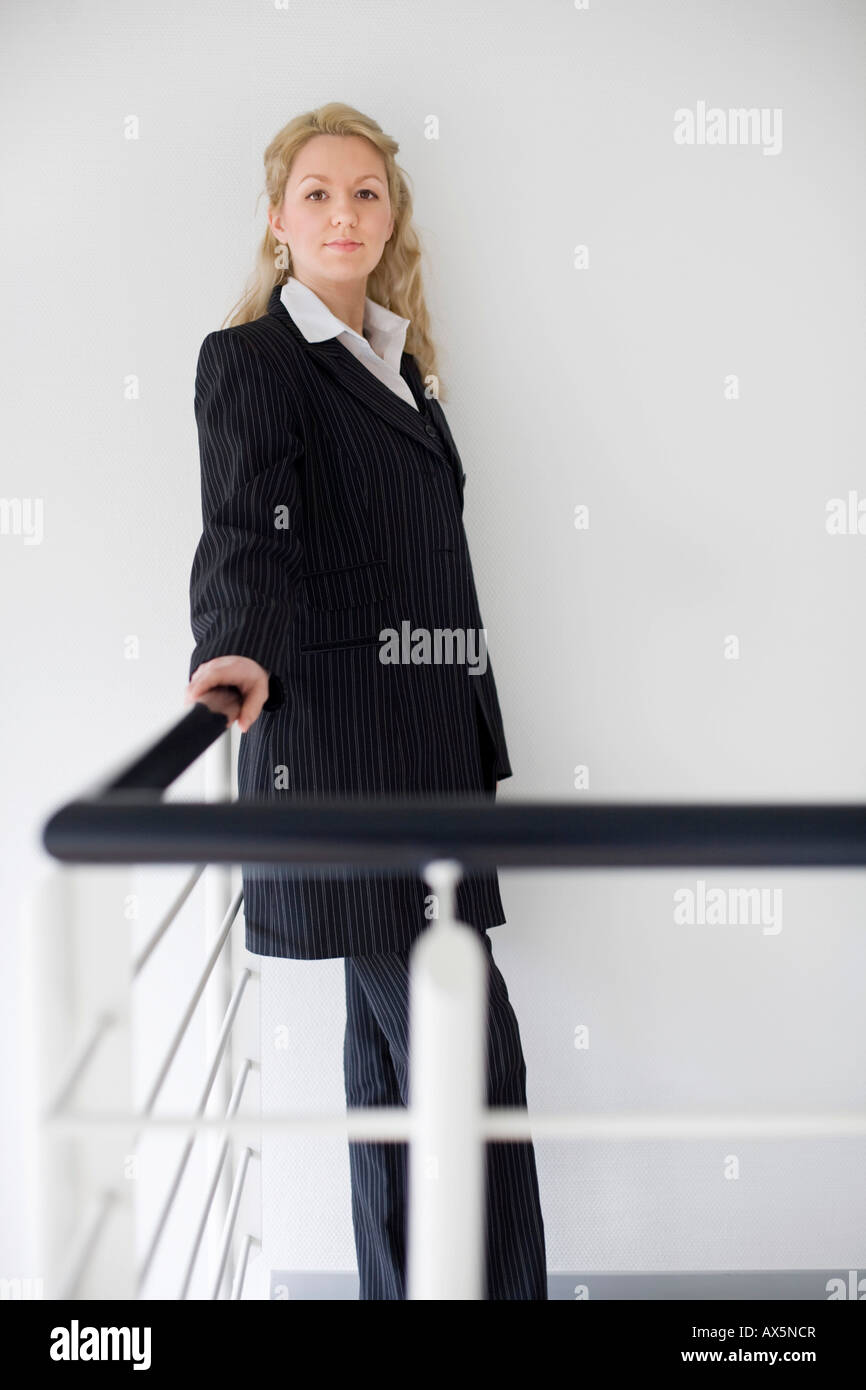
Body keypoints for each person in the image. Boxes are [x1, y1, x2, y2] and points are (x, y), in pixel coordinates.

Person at [183, 102, 547, 1300]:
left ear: (390, 221)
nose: (344, 212)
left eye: (367, 194)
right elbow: (245, 529)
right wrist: (233, 650)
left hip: (430, 750)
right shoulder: (251, 360)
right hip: (339, 762)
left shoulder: (401, 360)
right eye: (318, 193)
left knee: (396, 1069)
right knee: (465, 1057)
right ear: (279, 222)